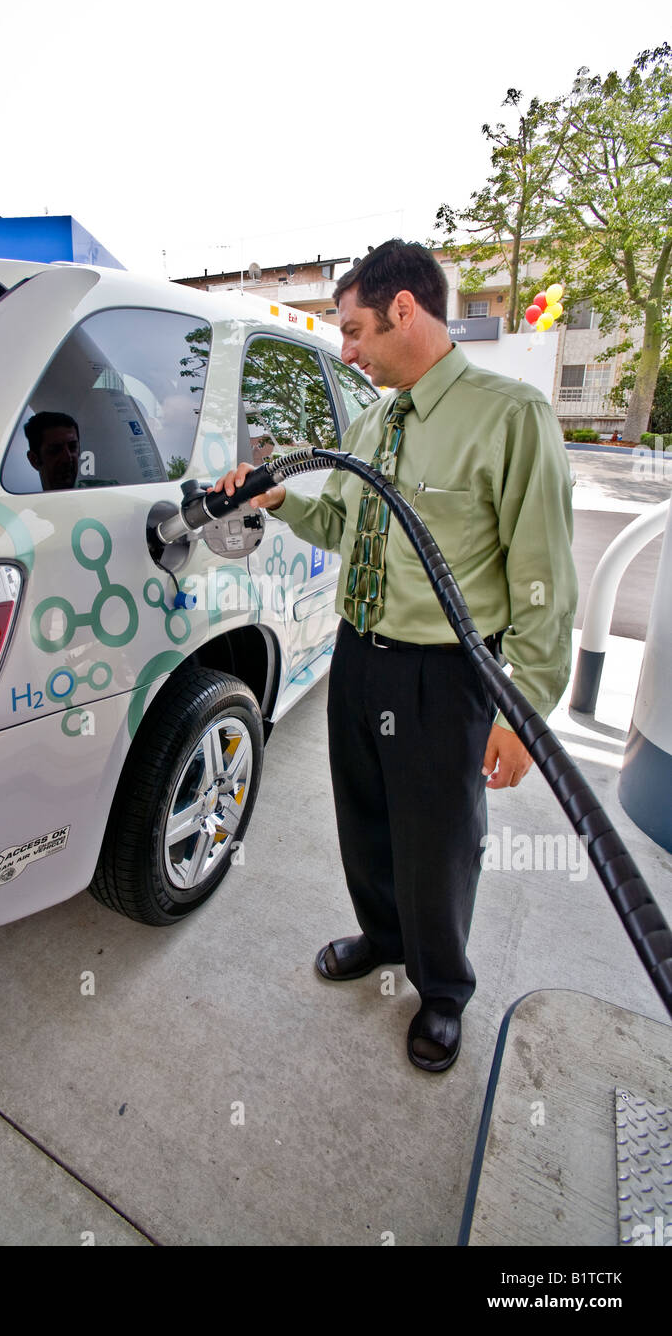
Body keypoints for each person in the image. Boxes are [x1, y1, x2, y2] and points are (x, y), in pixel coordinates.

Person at [213, 239, 578, 1072]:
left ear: (404, 310)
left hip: (443, 674)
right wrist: (278, 497)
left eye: (353, 331)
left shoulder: (510, 416)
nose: (345, 350)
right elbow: (343, 524)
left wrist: (524, 710)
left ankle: (442, 990)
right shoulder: (376, 417)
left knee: (439, 841)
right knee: (366, 816)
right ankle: (382, 937)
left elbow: (545, 583)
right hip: (361, 652)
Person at [24, 411, 81, 491]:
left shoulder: (100, 493)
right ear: (34, 460)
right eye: (55, 450)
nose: (67, 458)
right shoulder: (18, 502)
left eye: (72, 447)